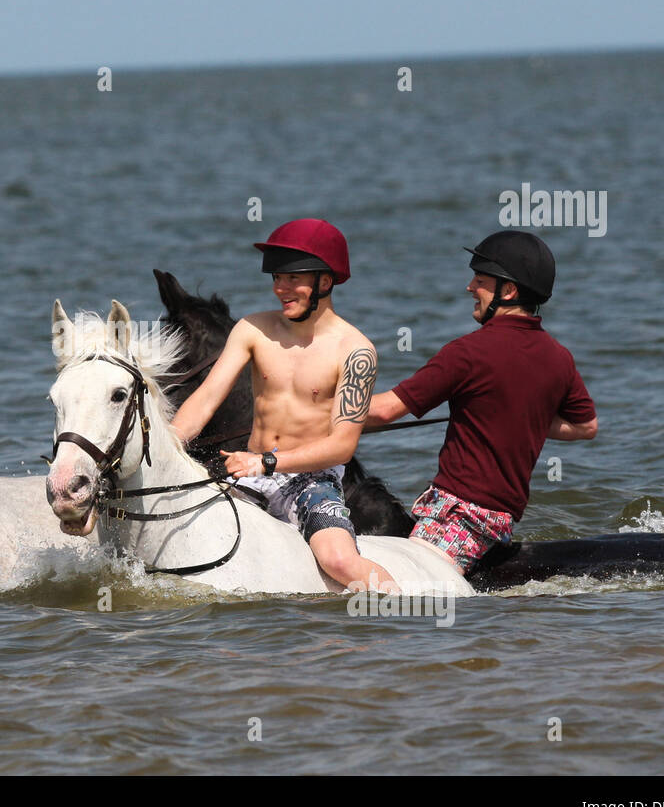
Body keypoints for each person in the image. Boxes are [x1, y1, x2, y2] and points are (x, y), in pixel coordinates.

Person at [171, 219, 398, 593]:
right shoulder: (252, 329)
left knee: (338, 560)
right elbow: (205, 400)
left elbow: (343, 445)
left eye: (293, 279)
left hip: (312, 481)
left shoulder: (356, 352)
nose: (281, 289)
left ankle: (406, 613)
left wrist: (266, 461)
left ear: (325, 282)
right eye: (277, 278)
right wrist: (168, 442)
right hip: (248, 476)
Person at [366, 230, 597, 574]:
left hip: (459, 517)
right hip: (499, 520)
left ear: (509, 290)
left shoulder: (467, 353)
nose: (470, 287)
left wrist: (310, 409)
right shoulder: (559, 357)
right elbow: (585, 427)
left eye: (480, 279)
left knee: (404, 598)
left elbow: (384, 410)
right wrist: (511, 415)